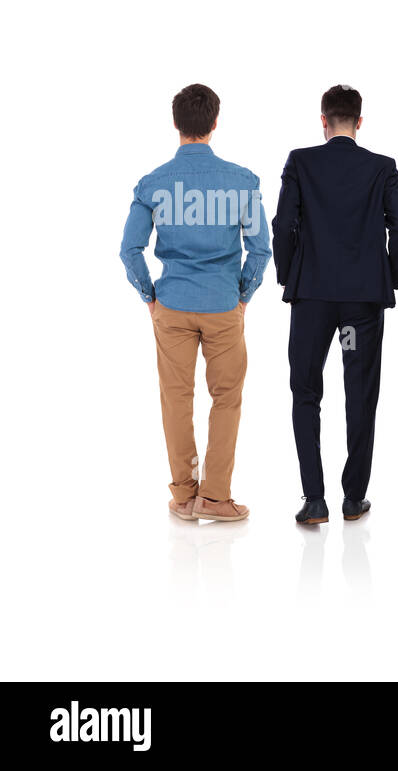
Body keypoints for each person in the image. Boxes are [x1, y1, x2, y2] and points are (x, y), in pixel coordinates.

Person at [119, 83, 270, 523]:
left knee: (175, 398)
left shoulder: (153, 184)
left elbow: (130, 250)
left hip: (173, 304)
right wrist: (243, 295)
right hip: (223, 305)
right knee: (227, 398)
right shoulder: (242, 182)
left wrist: (150, 296)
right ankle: (216, 496)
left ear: (176, 124)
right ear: (214, 123)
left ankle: (185, 496)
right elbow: (261, 249)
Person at [272, 84, 398, 526]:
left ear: (323, 120)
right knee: (361, 394)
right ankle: (354, 498)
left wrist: (288, 274)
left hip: (311, 296)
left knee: (305, 392)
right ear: (359, 121)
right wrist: (387, 277)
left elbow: (282, 225)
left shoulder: (301, 161)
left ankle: (314, 499)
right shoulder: (381, 167)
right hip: (362, 300)